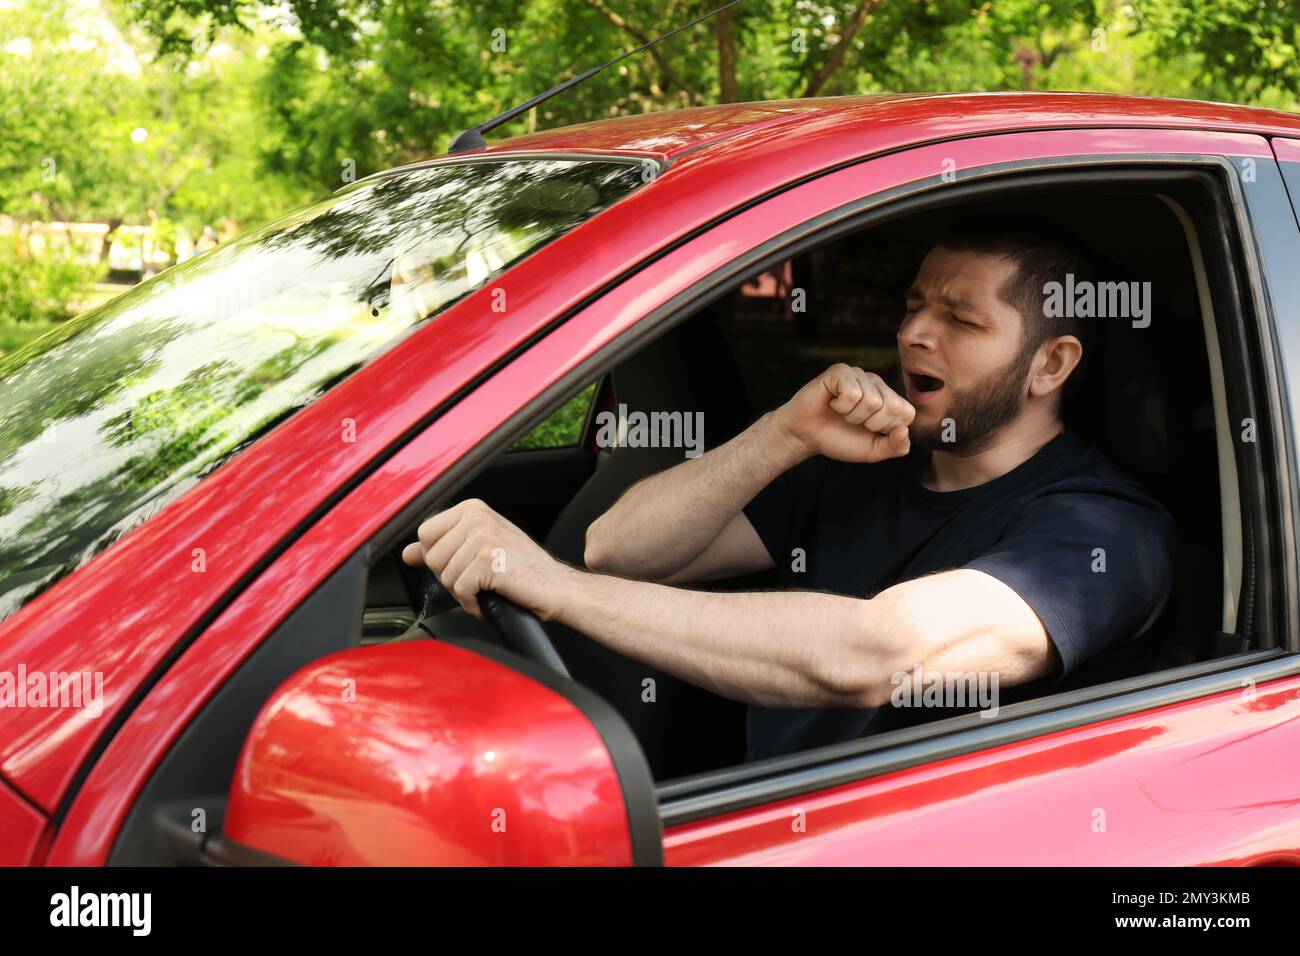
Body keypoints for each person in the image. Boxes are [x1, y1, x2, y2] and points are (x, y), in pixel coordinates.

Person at [402, 217, 1177, 762]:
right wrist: (785, 433)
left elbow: (875, 654)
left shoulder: (1105, 534)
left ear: (1051, 365)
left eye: (961, 319)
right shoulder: (858, 464)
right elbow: (616, 550)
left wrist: (551, 586)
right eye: (914, 305)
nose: (913, 333)